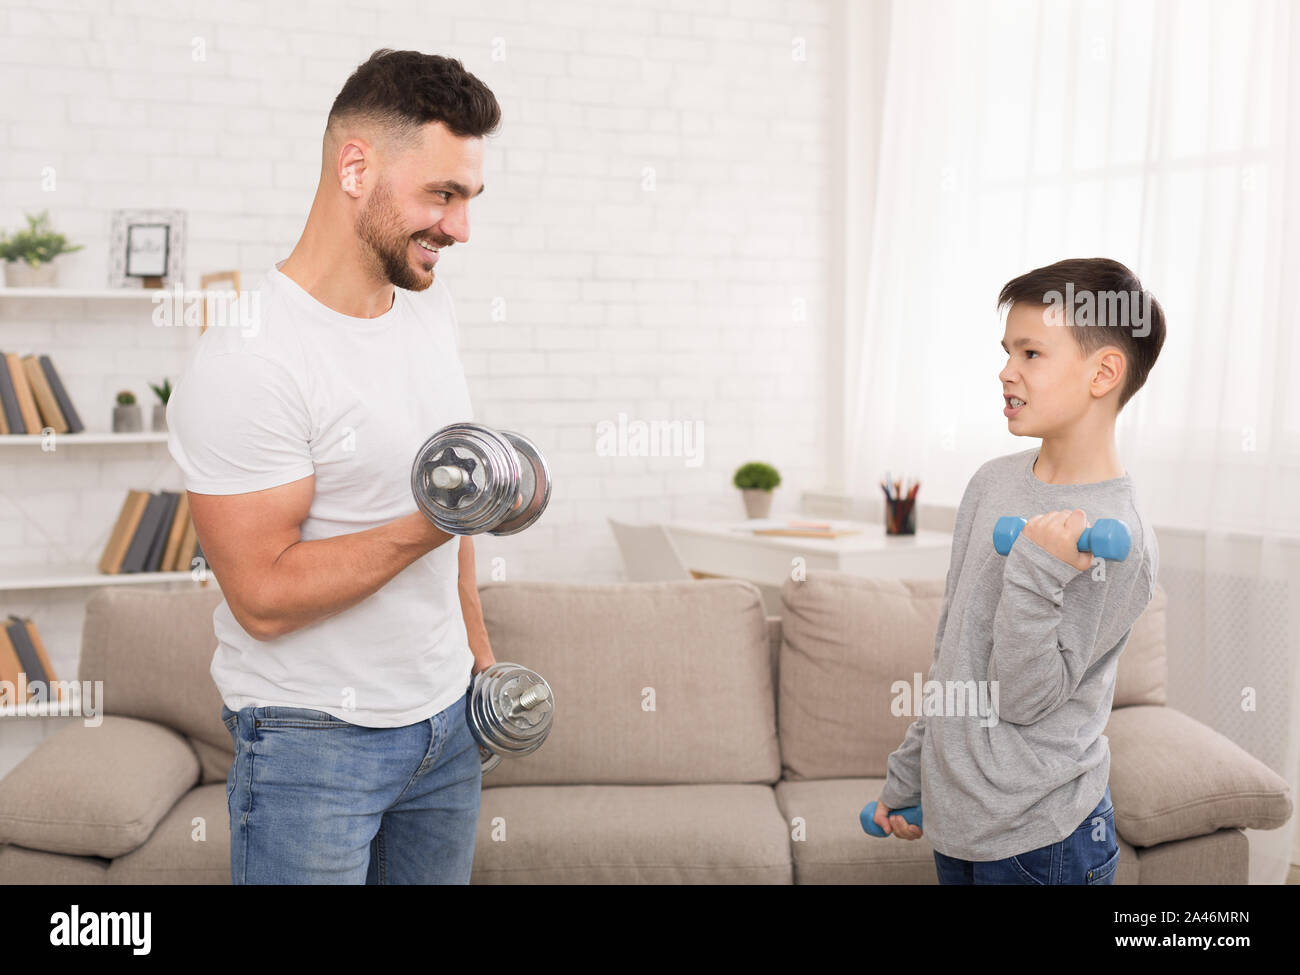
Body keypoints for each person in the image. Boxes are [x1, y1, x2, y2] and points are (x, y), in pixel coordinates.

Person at [166, 49, 502, 884]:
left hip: (446, 727)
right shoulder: (251, 357)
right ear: (356, 167)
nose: (460, 228)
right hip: (312, 748)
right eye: (442, 195)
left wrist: (481, 663)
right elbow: (265, 599)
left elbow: (448, 483)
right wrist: (434, 520)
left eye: (468, 199)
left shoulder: (432, 312)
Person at [872, 257, 1165, 884]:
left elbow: (1026, 698)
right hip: (961, 824)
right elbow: (955, 646)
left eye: (1031, 353)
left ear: (1103, 372)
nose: (1005, 372)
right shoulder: (992, 484)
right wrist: (908, 776)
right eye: (1007, 352)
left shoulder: (1121, 539)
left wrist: (1036, 569)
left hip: (1045, 839)